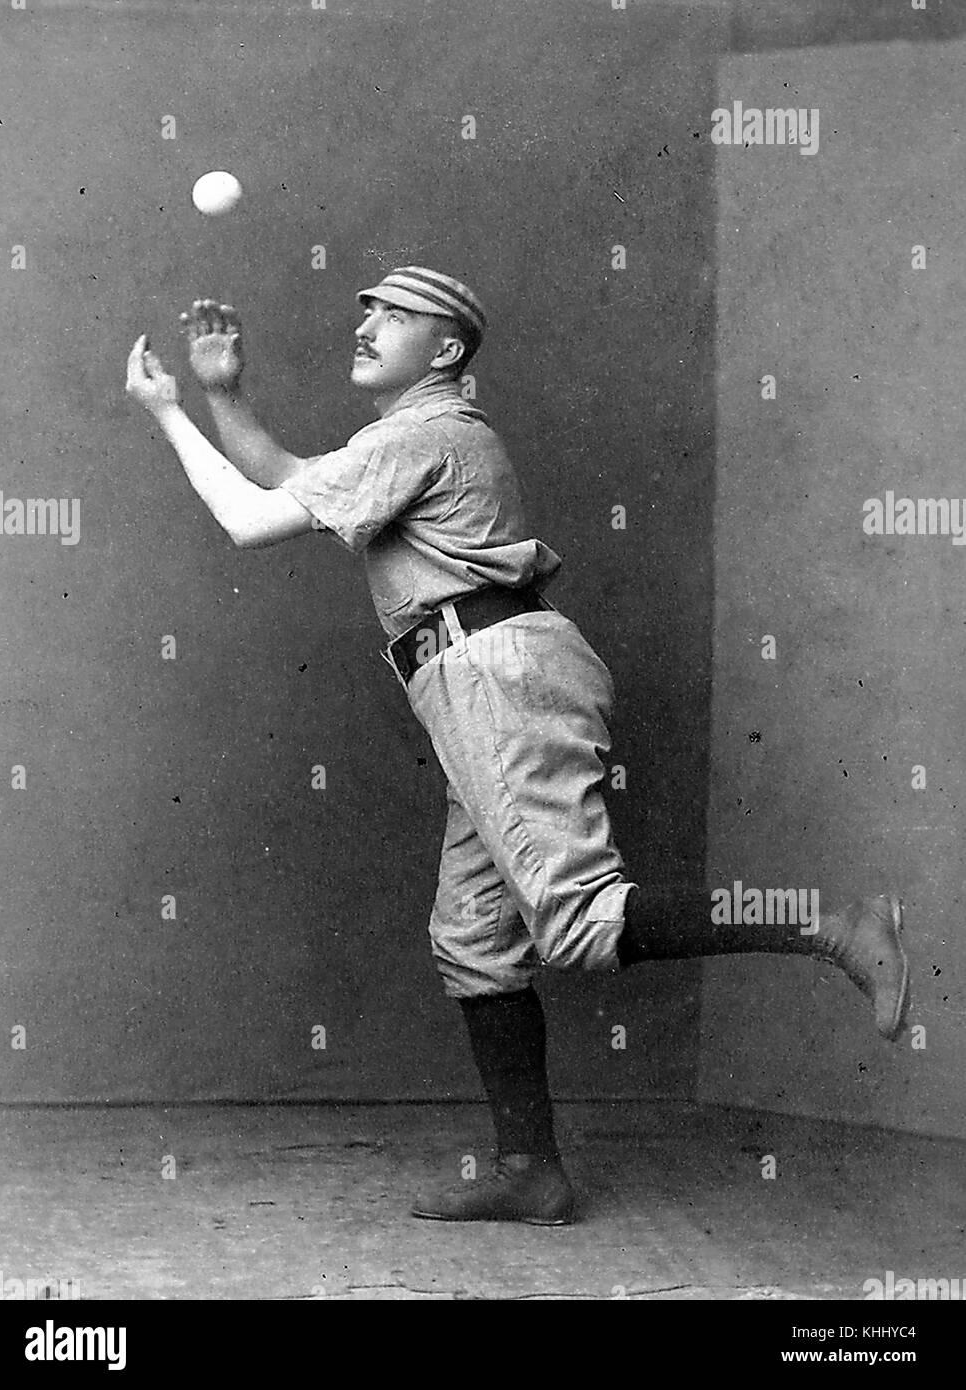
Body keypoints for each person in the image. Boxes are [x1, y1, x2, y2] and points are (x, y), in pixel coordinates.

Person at [126, 265, 910, 1227]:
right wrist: (221, 394)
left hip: (495, 677)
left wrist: (166, 414)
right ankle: (530, 1169)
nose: (367, 322)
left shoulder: (427, 436)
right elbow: (288, 482)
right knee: (474, 940)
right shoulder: (405, 440)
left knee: (575, 921)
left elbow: (250, 522)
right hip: (476, 679)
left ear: (445, 349)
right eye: (366, 307)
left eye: (395, 314)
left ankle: (831, 924)